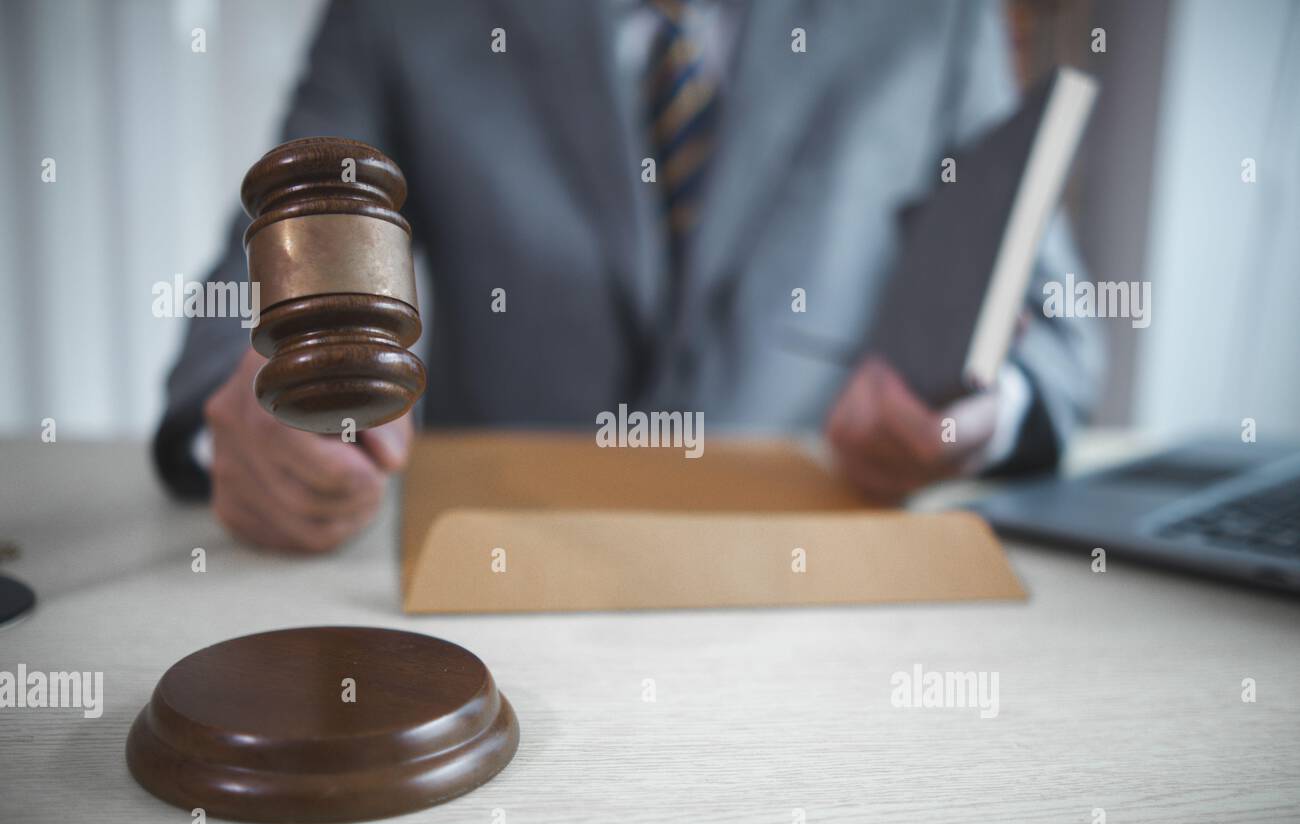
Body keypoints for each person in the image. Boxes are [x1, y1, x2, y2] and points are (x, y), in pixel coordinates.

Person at [155, 0, 1102, 552]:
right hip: (484, 578)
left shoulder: (932, 18)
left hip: (825, 585)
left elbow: (1053, 332)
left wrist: (983, 412)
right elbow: (263, 269)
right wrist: (245, 421)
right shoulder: (403, 15)